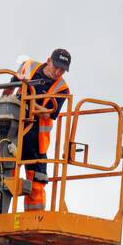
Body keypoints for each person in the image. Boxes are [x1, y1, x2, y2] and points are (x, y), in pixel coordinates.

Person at [13, 49, 72, 210]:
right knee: (4, 178)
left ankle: (33, 222)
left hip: (36, 139)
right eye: (56, 67)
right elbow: (9, 87)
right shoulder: (29, 66)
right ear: (48, 60)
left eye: (62, 70)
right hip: (12, 132)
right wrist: (3, 102)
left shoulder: (62, 88)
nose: (58, 72)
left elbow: (49, 113)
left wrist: (26, 102)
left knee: (37, 184)